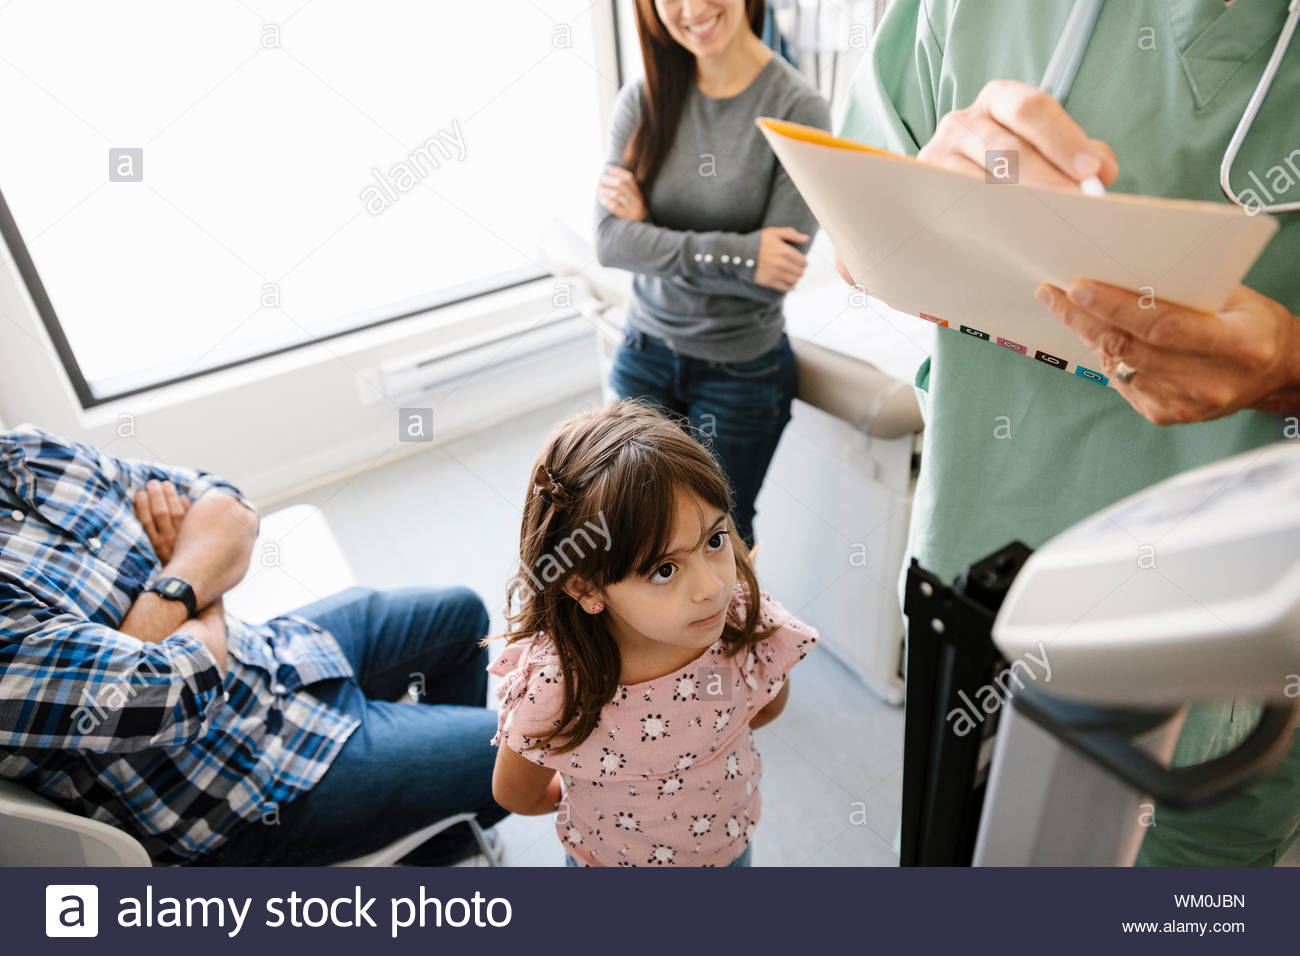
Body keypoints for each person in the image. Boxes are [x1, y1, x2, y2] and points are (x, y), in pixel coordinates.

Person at [835, 0, 1300, 865]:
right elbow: (857, 240)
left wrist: (1286, 367)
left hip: (1235, 654)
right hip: (980, 587)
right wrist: (921, 210)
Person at [0, 425, 506, 865]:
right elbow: (167, 692)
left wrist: (171, 607)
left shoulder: (22, 452)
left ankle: (441, 835)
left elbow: (229, 509)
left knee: (461, 614)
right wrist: (197, 582)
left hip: (268, 655)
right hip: (236, 789)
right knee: (526, 748)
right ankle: (446, 836)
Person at [485, 400, 818, 866]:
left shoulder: (742, 622)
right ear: (584, 586)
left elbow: (766, 705)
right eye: (664, 569)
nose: (712, 587)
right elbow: (516, 793)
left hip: (729, 853)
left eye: (714, 541)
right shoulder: (558, 687)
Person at [595, 0, 831, 549]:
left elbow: (777, 271)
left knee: (714, 542)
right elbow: (610, 241)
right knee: (622, 532)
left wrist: (650, 231)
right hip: (644, 349)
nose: (693, 8)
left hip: (741, 373)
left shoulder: (798, 109)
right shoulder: (643, 100)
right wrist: (742, 254)